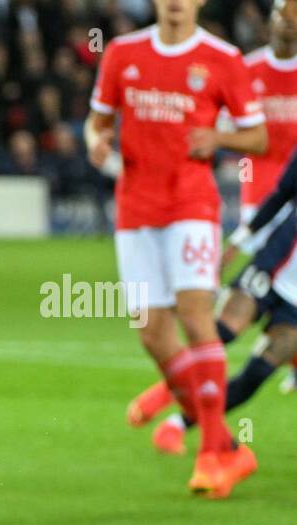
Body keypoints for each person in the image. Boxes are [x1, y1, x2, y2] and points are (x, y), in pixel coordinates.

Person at [87, 0, 267, 498]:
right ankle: (229, 447)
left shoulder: (222, 57)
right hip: (135, 210)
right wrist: (95, 144)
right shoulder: (122, 53)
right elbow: (96, 122)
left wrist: (220, 137)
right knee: (152, 333)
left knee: (193, 313)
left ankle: (212, 453)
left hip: (191, 207)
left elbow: (258, 135)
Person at [128, 0, 297, 452]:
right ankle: (179, 411)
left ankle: (187, 424)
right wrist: (241, 237)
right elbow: (273, 174)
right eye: (281, 16)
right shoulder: (248, 68)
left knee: (261, 363)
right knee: (223, 325)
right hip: (267, 219)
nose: (285, 26)